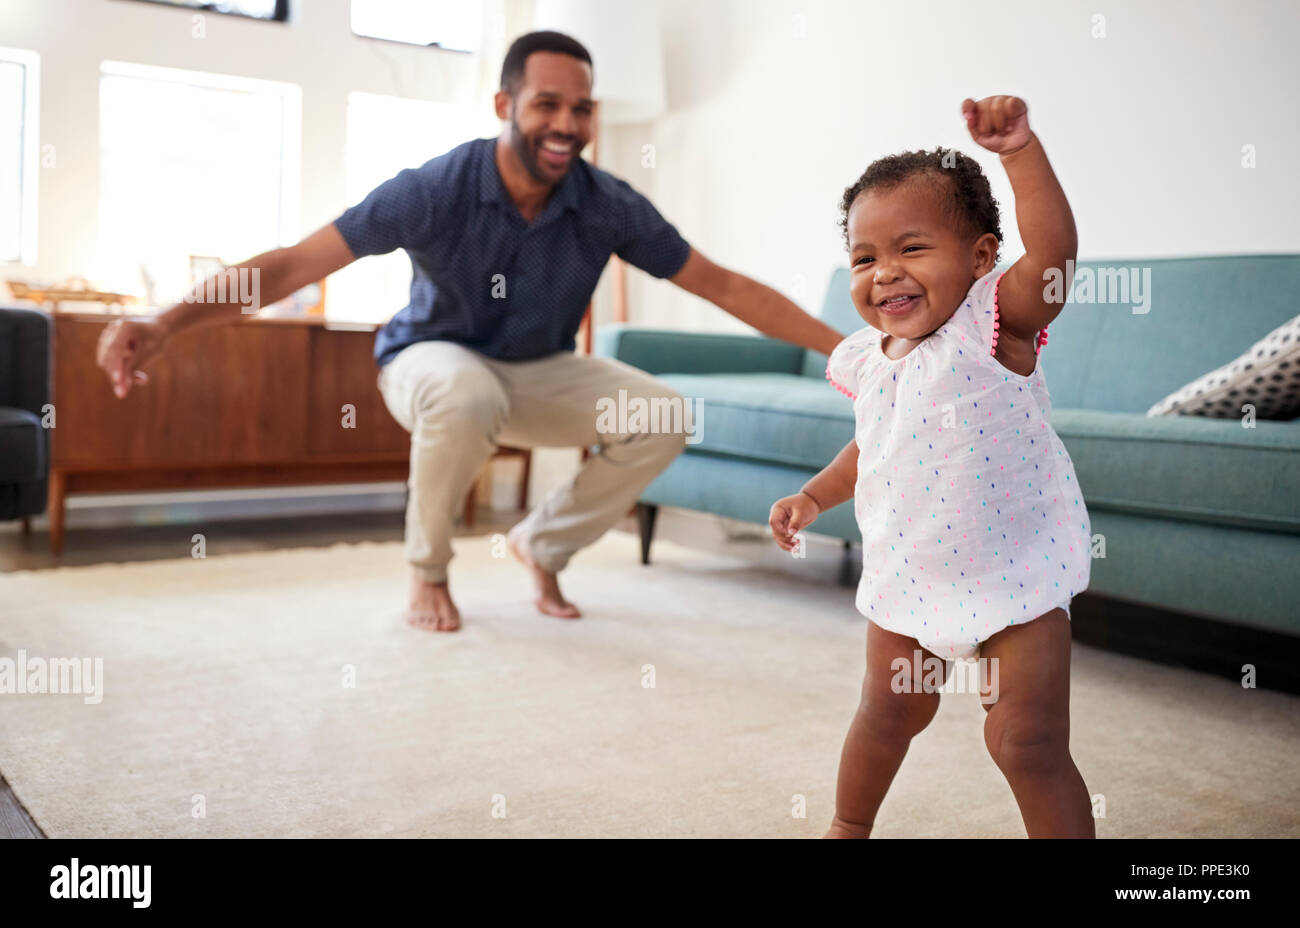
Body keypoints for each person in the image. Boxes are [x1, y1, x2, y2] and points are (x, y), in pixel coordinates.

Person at [96, 30, 843, 633]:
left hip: (538, 370)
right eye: (547, 103)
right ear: (503, 102)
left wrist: (842, 347)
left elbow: (721, 284)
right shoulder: (435, 188)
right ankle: (428, 571)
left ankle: (540, 544)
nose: (566, 125)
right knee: (462, 391)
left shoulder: (606, 202)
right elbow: (295, 264)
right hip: (430, 362)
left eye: (582, 109)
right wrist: (165, 323)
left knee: (664, 415)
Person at [768, 96, 1095, 838]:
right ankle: (849, 827)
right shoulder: (868, 360)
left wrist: (1019, 154)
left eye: (911, 249)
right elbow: (873, 447)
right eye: (864, 257)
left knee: (1027, 742)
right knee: (887, 713)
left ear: (981, 258)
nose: (884, 274)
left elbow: (1052, 262)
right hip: (910, 572)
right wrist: (814, 498)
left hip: (1015, 577)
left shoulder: (993, 328)